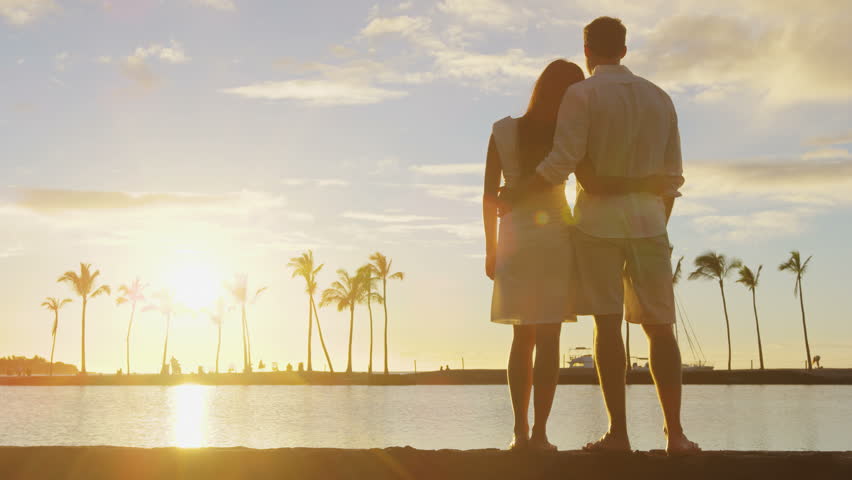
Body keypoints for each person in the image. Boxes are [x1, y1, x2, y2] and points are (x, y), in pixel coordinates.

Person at [502, 17, 699, 455]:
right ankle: (677, 435)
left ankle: (619, 435)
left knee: (608, 326)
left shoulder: (582, 94)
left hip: (596, 226)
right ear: (625, 50)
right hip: (650, 224)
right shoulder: (660, 98)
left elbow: (561, 162)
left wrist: (518, 189)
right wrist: (653, 214)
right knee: (661, 328)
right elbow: (673, 177)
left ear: (587, 50)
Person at [484, 59, 662, 452]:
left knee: (521, 339)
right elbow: (592, 181)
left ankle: (520, 433)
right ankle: (542, 434)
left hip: (513, 235)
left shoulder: (502, 130)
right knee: (549, 337)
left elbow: (488, 195)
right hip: (554, 235)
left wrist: (491, 249)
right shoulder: (569, 133)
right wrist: (647, 184)